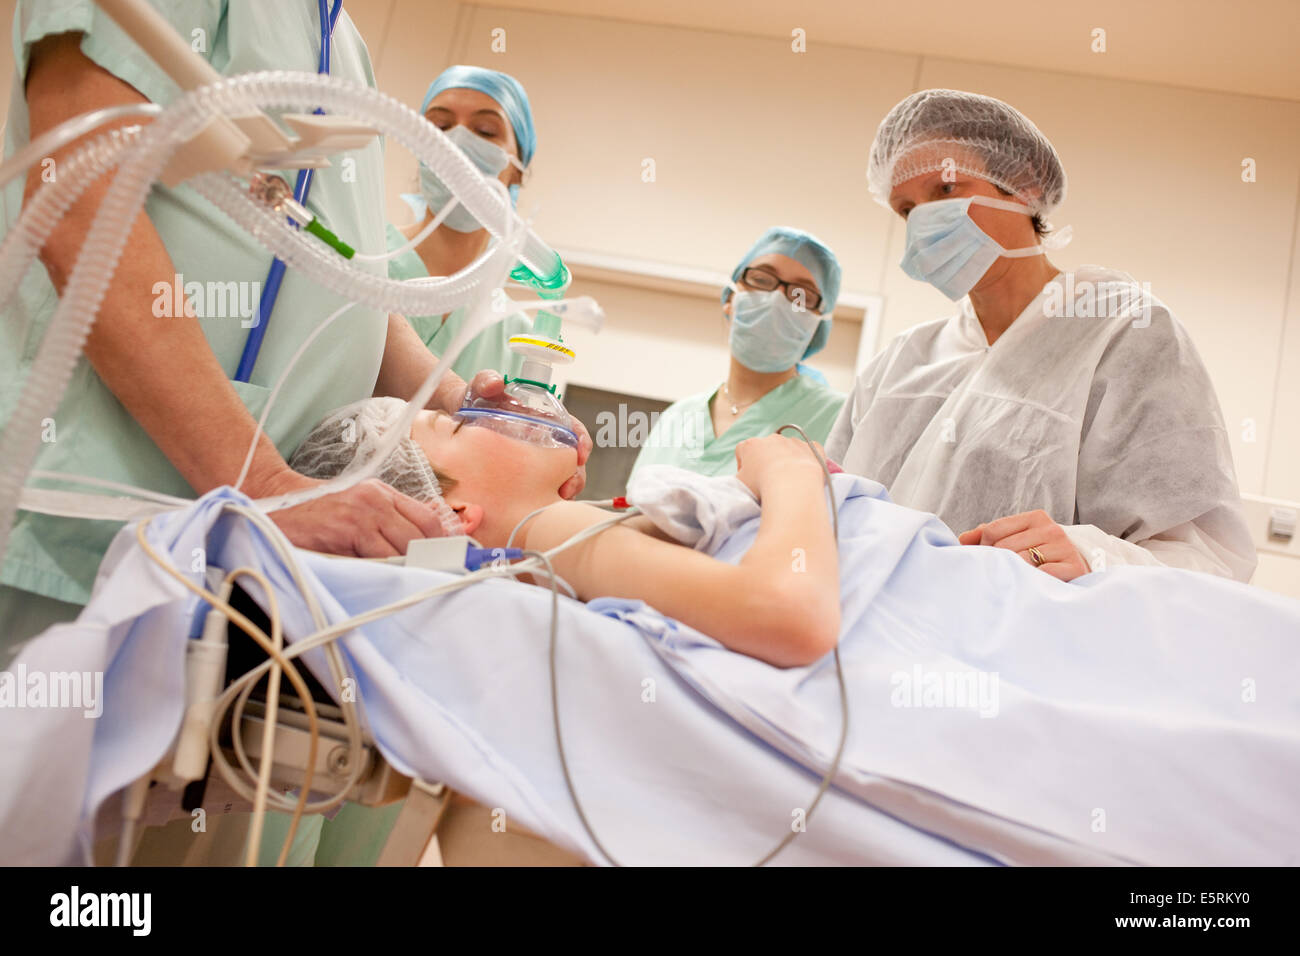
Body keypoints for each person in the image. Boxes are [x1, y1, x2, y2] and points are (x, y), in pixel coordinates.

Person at [0, 5, 588, 668]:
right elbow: (81, 205)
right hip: (91, 511)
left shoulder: (342, 47)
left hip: (250, 566)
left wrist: (457, 400)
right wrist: (260, 483)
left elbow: (337, 282)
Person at [825, 89, 1255, 582]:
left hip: (1041, 643)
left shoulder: (1124, 334)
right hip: (877, 635)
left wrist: (1091, 557)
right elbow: (831, 510)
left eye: (945, 189)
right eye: (905, 208)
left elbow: (1206, 557)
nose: (922, 222)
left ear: (1025, 184)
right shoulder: (903, 361)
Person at [630, 227, 845, 478]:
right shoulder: (676, 418)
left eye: (802, 295)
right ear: (730, 299)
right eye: (762, 280)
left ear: (816, 325)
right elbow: (632, 511)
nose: (776, 300)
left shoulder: (838, 419)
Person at [387, 65, 536, 381]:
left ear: (518, 169)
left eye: (484, 131)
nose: (455, 142)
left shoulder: (516, 336)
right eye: (439, 126)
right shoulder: (363, 260)